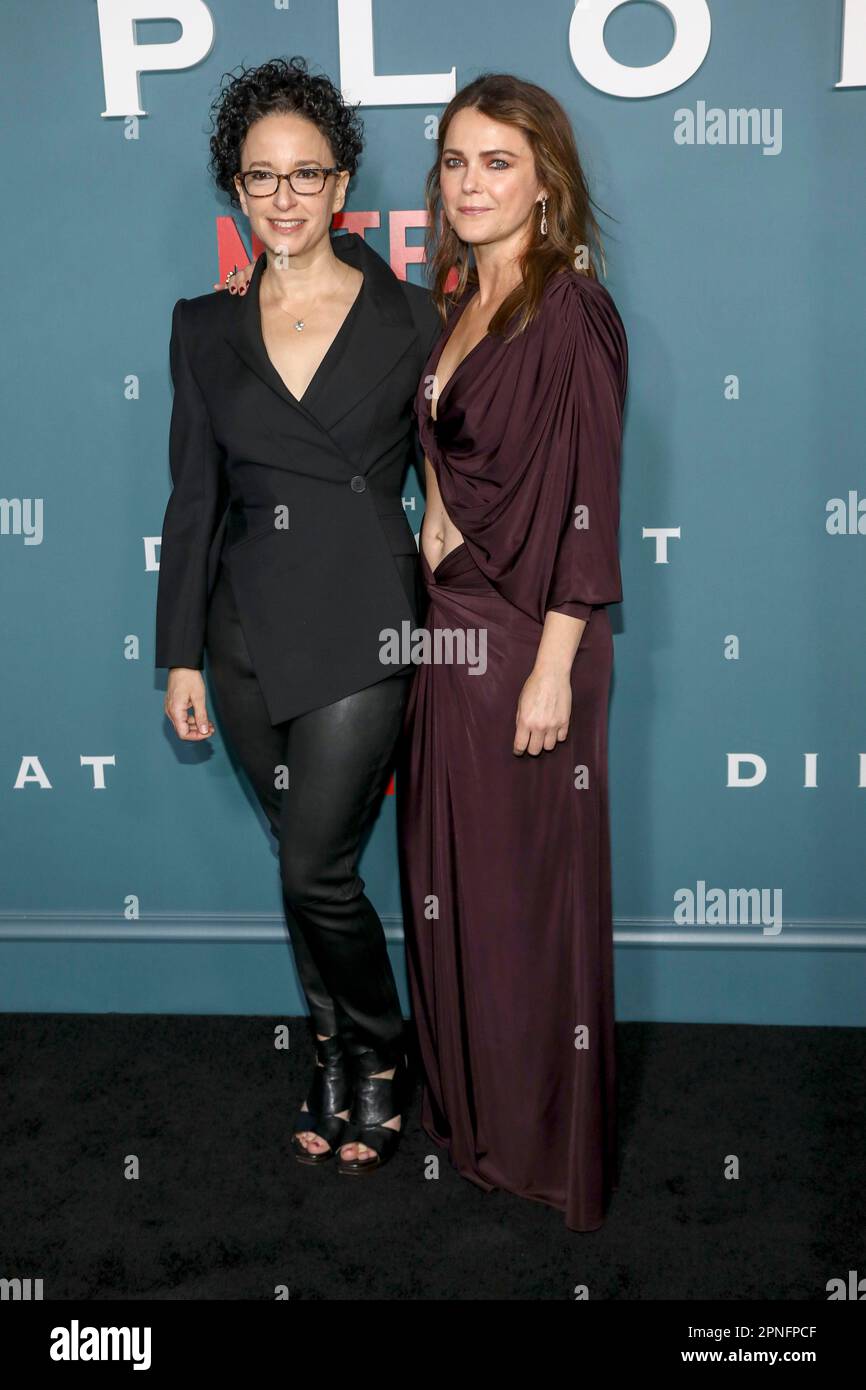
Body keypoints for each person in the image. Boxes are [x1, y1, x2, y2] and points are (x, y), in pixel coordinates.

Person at [155, 57, 440, 1173]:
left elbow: (455, 482)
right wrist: (180, 655)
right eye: (260, 177)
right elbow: (191, 499)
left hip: (365, 620)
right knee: (298, 860)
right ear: (236, 190)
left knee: (317, 866)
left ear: (342, 184)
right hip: (243, 636)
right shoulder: (201, 326)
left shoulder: (414, 317)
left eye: (305, 174)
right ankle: (330, 1048)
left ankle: (382, 1052)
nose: (283, 197)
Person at [396, 73, 629, 1232]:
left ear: (545, 181)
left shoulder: (569, 308)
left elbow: (590, 494)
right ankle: (476, 1122)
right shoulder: (453, 304)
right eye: (454, 160)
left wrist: (552, 661)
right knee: (456, 885)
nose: (470, 182)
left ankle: (543, 1143)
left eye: (497, 161)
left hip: (531, 635)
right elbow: (443, 461)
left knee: (528, 892)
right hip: (448, 622)